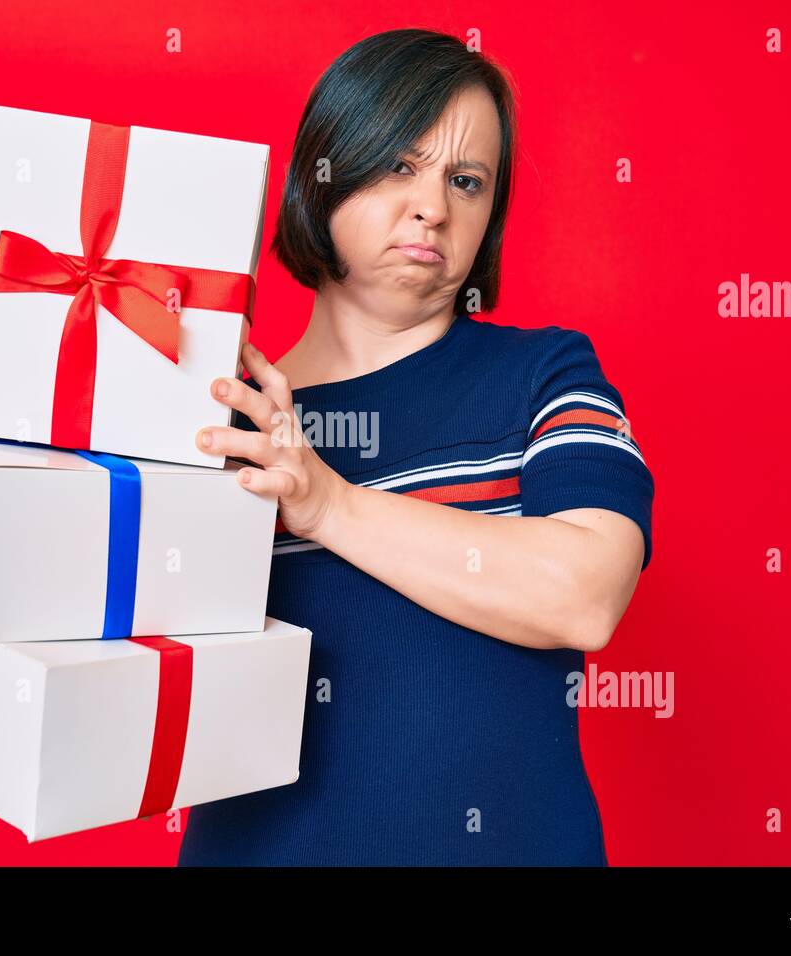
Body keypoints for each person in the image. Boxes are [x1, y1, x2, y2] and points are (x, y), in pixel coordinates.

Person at [178, 28, 654, 866]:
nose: (433, 205)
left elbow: (585, 594)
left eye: (465, 182)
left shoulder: (545, 372)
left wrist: (328, 504)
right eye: (400, 164)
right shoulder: (220, 418)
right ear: (326, 169)